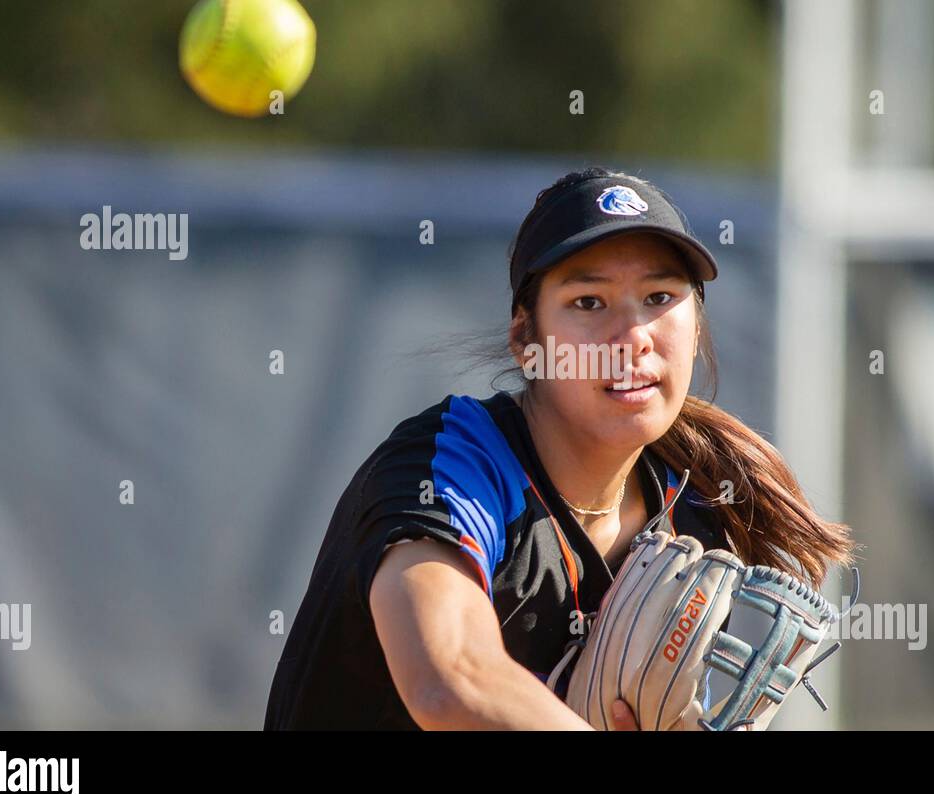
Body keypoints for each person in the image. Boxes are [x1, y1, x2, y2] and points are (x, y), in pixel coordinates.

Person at [263, 167, 855, 730]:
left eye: (659, 297)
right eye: (589, 303)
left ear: (696, 327)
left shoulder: (693, 509)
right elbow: (451, 681)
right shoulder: (451, 465)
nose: (632, 338)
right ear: (526, 338)